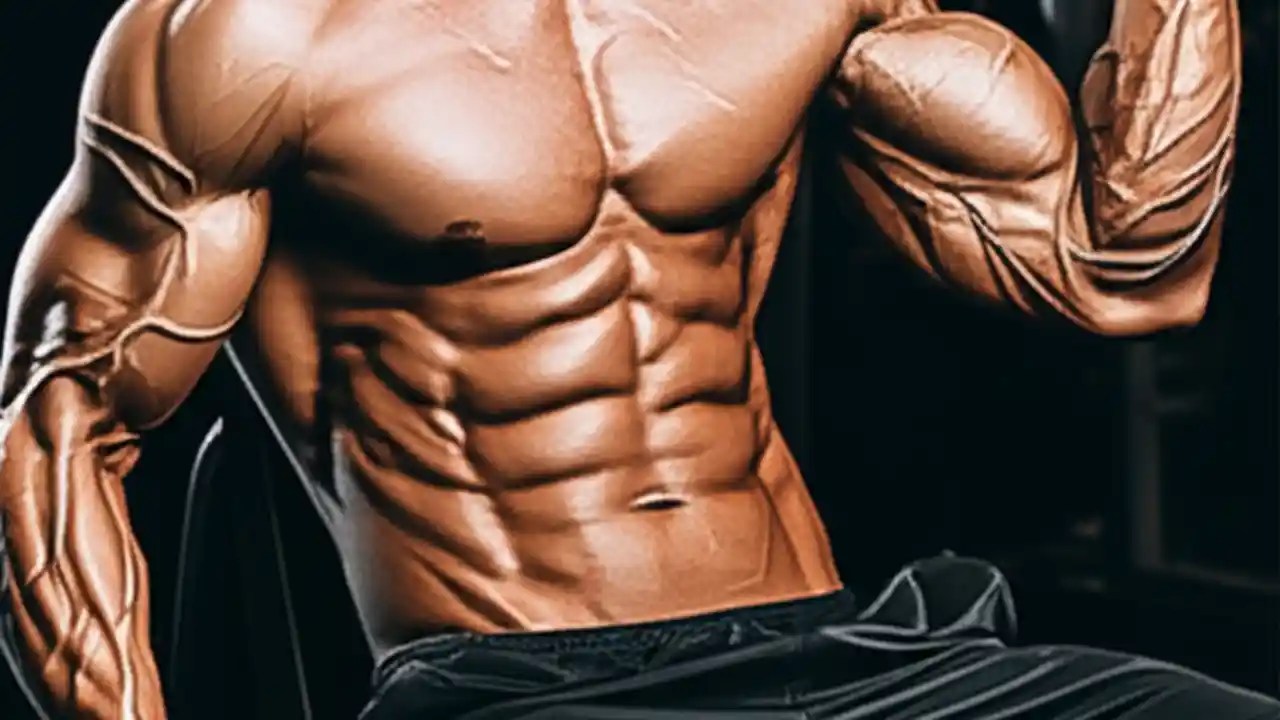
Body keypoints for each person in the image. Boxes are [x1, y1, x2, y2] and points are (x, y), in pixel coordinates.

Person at [0, 0, 1273, 717]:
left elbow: (1117, 272)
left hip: (847, 660)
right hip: (516, 686)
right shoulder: (252, 39)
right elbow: (60, 425)